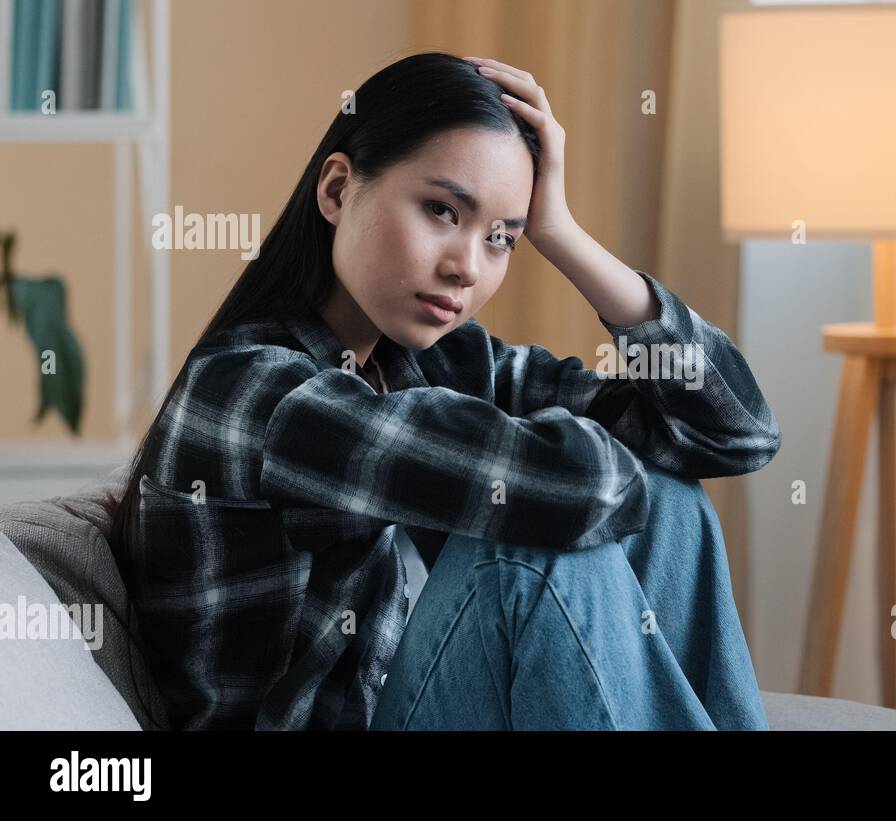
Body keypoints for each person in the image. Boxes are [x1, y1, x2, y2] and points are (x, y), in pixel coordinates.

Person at [106, 52, 780, 731]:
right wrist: (584, 459)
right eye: (439, 209)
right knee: (522, 553)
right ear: (337, 191)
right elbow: (582, 485)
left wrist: (561, 233)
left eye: (500, 239)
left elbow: (735, 430)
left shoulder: (435, 362)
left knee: (669, 496)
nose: (466, 267)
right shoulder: (251, 393)